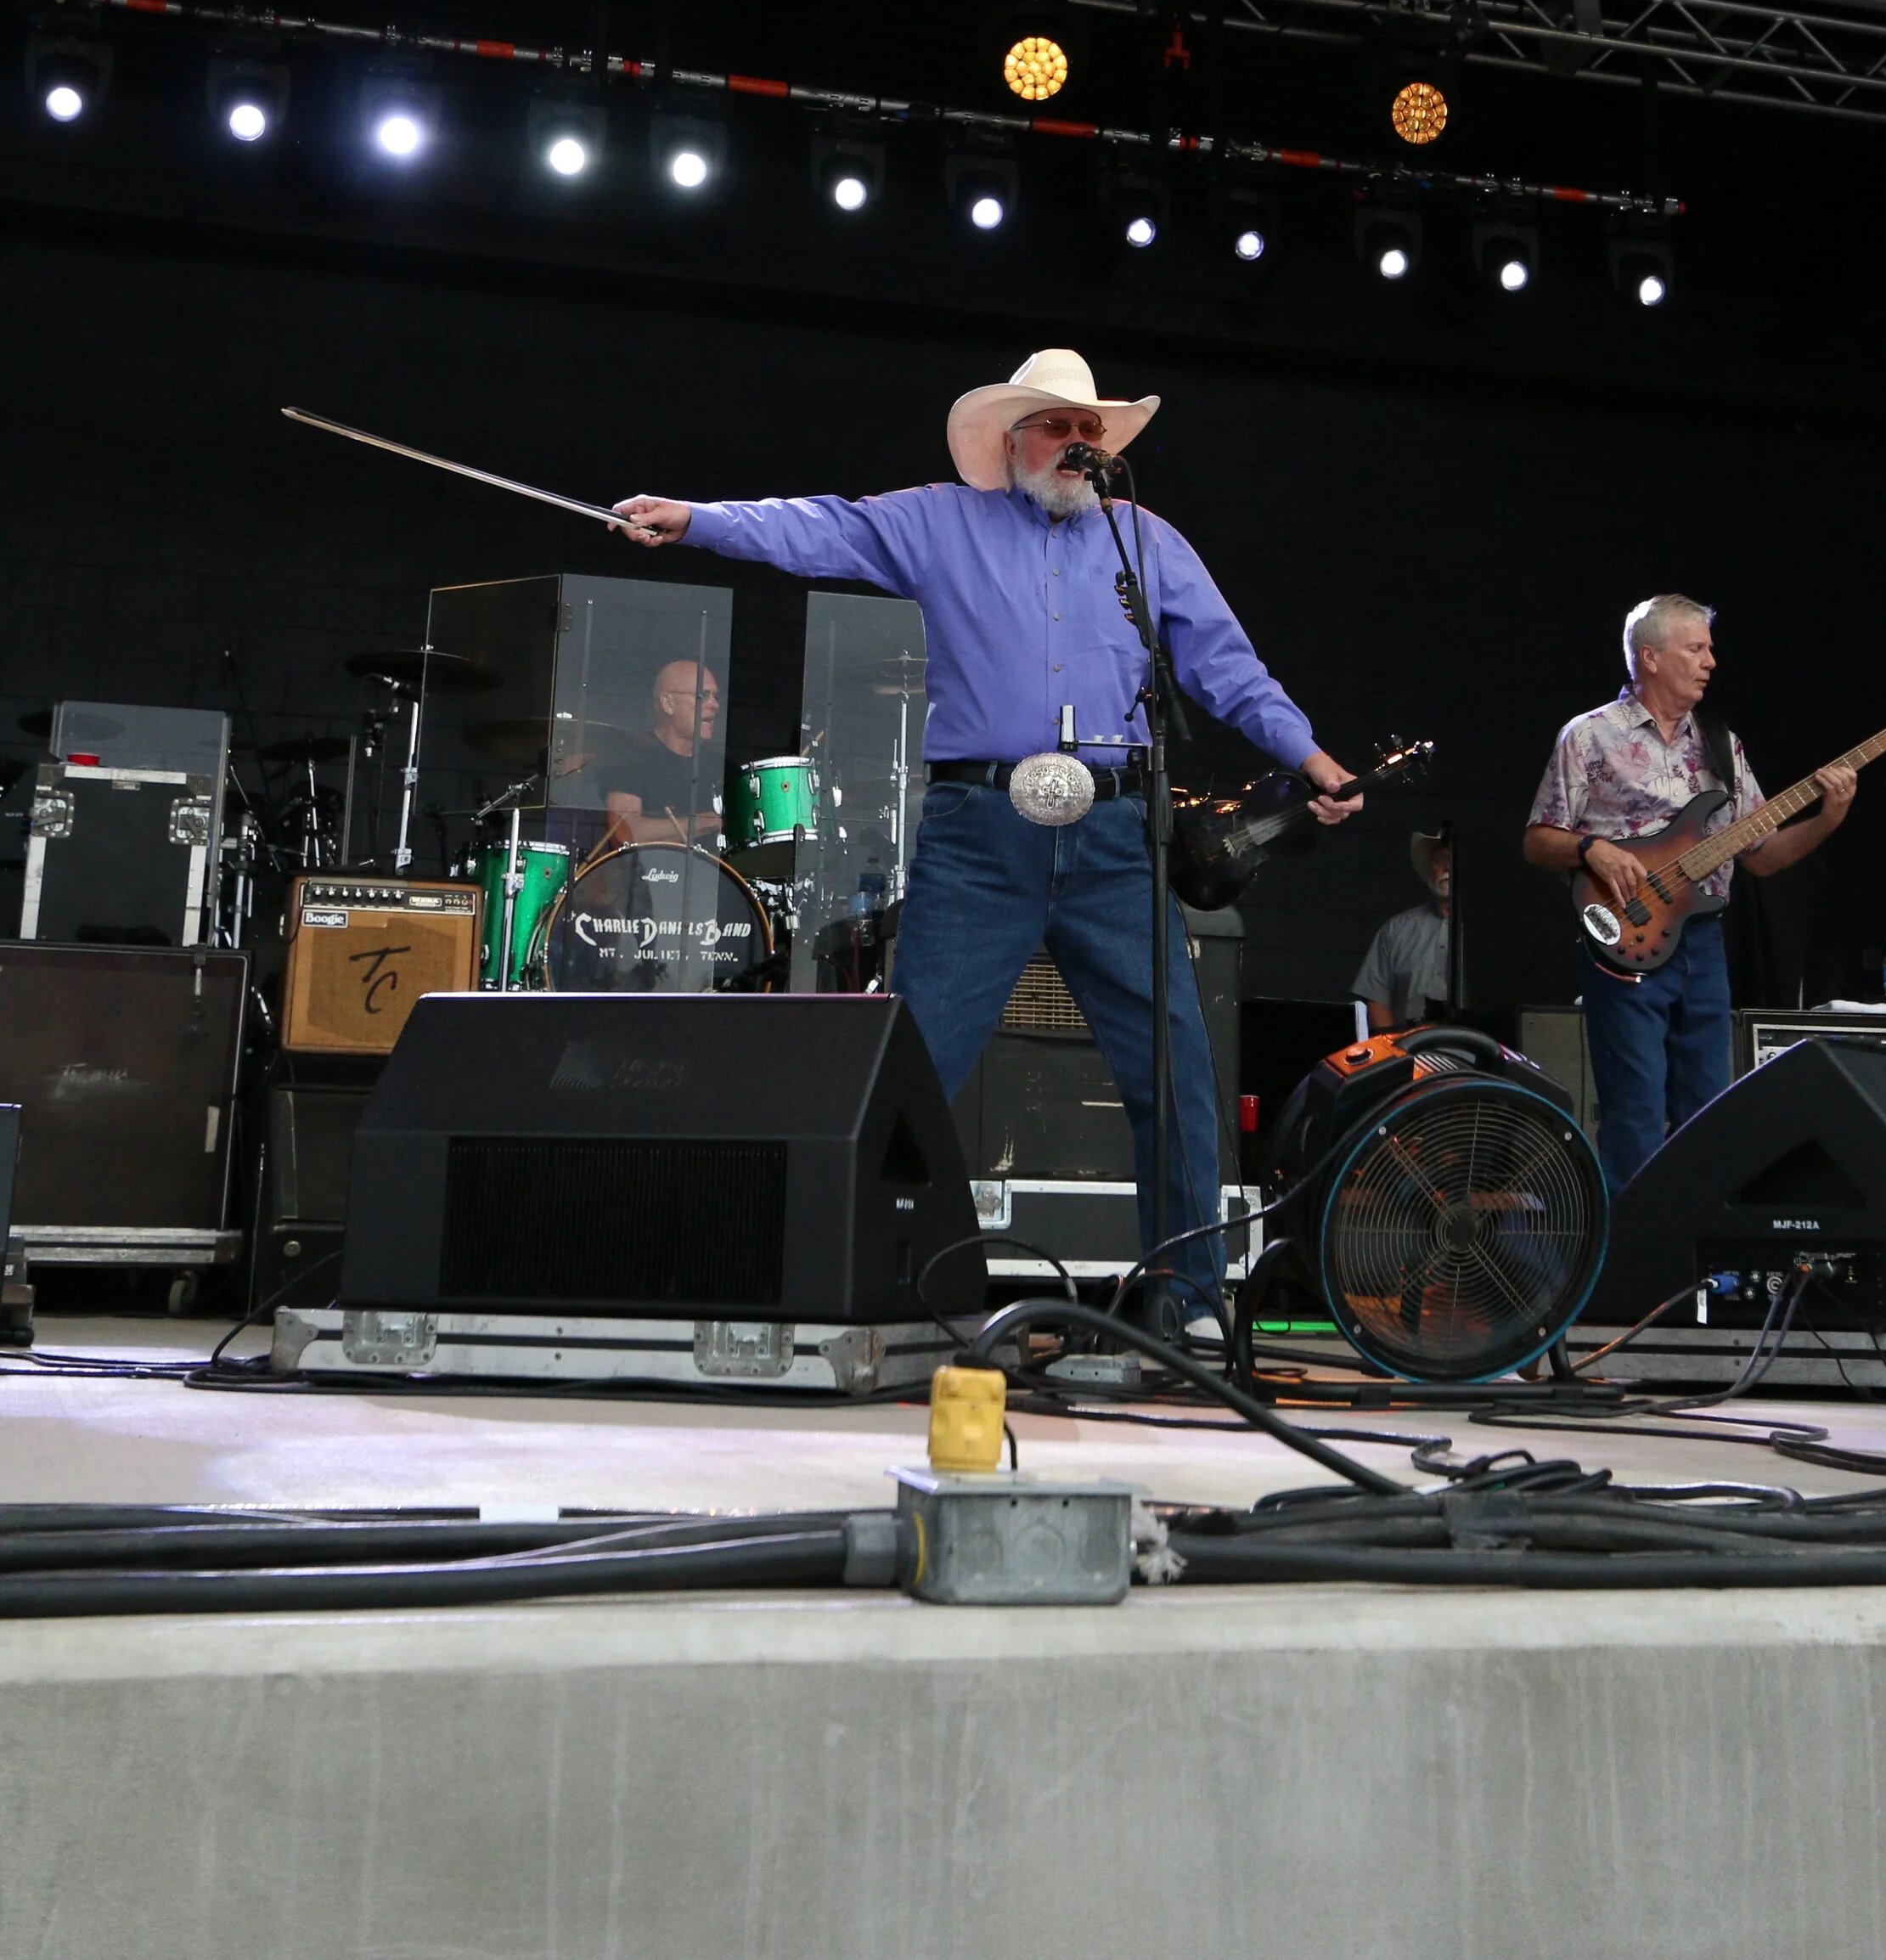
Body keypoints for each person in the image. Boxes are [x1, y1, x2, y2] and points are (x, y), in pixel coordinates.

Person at [613, 346, 1360, 1342]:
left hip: (1112, 831)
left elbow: (1225, 667)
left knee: (1175, 1066)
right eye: (1055, 425)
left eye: (1089, 429)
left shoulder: (1145, 542)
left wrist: (1309, 757)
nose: (1076, 444)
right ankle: (856, 1288)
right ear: (1010, 441)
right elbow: (821, 527)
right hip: (981, 834)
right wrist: (699, 520)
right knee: (912, 1065)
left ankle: (1186, 1308)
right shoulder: (939, 520)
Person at [1523, 594, 1855, 1188]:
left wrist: (1827, 818)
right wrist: (1589, 847)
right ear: (1650, 657)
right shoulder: (1589, 736)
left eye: (1709, 648)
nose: (1711, 661)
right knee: (1636, 1116)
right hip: (1625, 940)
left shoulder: (1721, 746)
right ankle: (1630, 1264)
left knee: (1711, 1113)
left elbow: (1763, 857)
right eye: (1696, 648)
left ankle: (1699, 1258)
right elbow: (1536, 840)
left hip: (1703, 946)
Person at [593, 659, 723, 848]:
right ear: (668, 703)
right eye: (703, 695)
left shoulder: (721, 768)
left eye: (716, 697)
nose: (715, 705)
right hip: (642, 874)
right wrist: (706, 822)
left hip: (710, 874)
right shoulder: (629, 758)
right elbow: (626, 831)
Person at [1353, 826, 1454, 1032]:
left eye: (1455, 859)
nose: (1448, 867)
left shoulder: (1487, 932)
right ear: (1429, 869)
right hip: (1408, 1050)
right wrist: (1396, 1051)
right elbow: (1375, 998)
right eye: (1440, 859)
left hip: (1472, 1054)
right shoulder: (1397, 929)